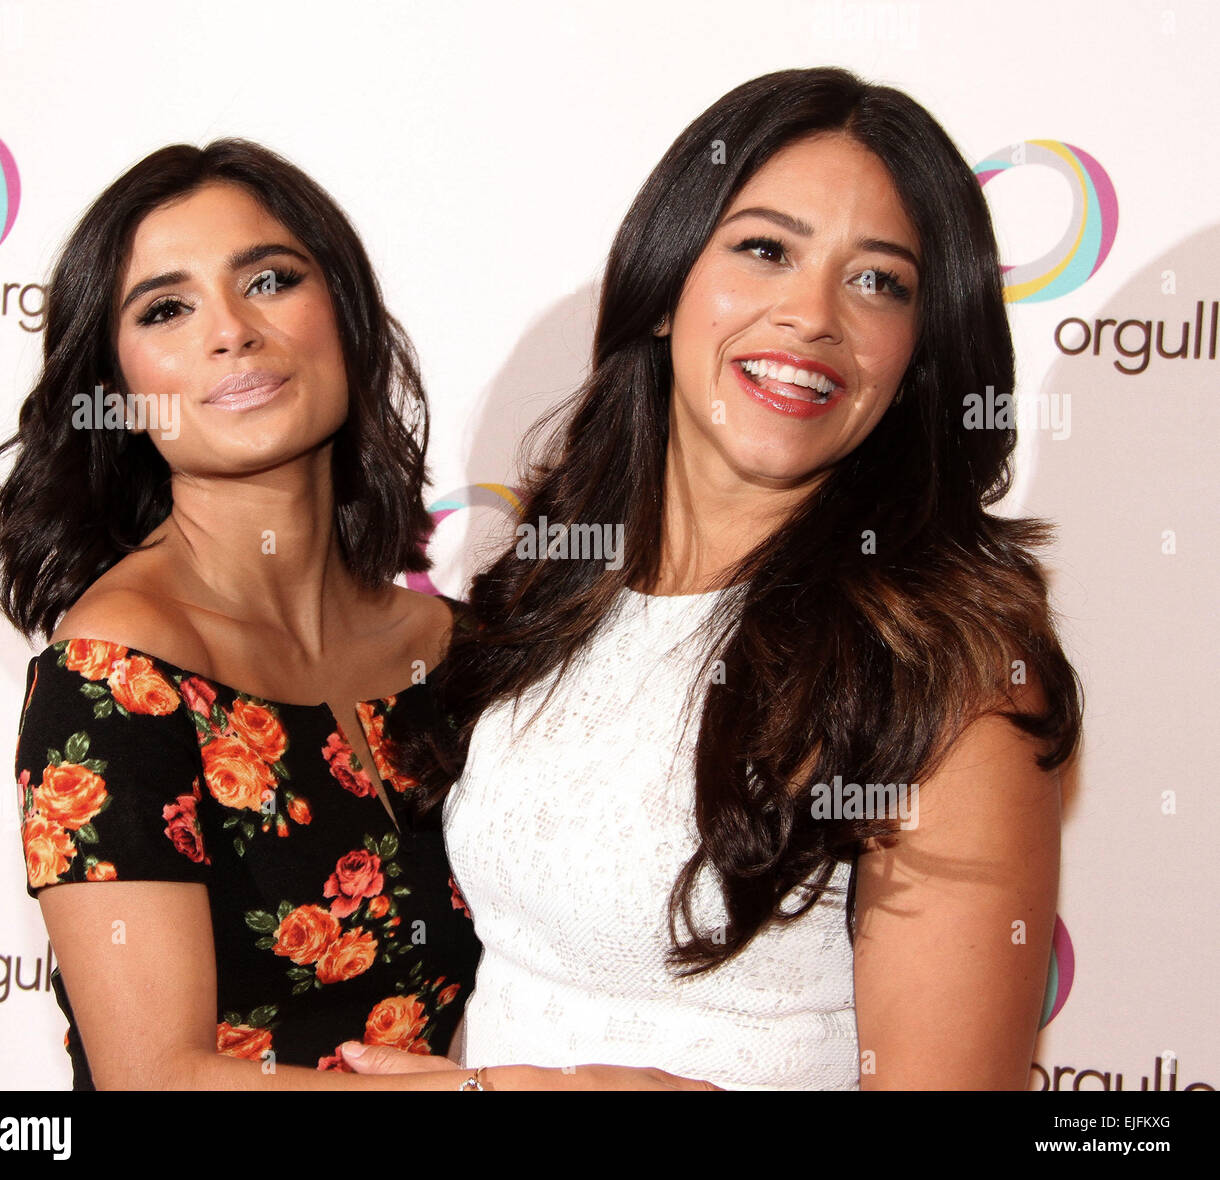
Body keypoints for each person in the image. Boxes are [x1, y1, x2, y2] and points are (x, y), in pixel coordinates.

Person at [345, 67, 1082, 1091]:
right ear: (665, 286)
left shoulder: (944, 663)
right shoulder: (554, 587)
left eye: (878, 281)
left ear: (918, 352)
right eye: (764, 250)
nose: (812, 315)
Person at [0, 138, 709, 1093]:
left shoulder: (459, 649)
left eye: (271, 279)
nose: (232, 331)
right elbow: (157, 1081)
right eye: (167, 308)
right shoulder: (113, 673)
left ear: (349, 318)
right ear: (116, 394)